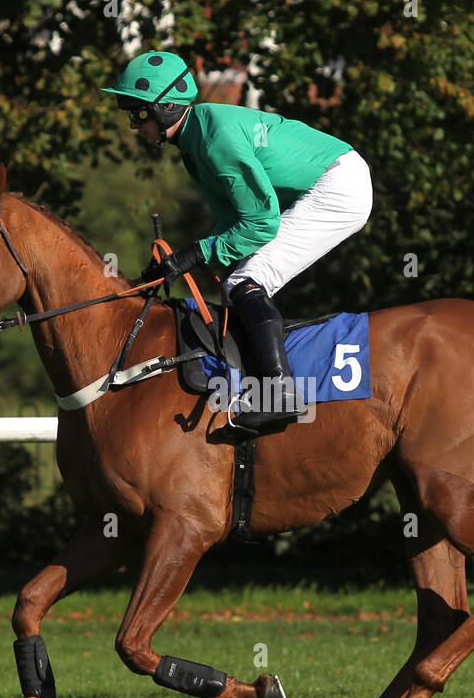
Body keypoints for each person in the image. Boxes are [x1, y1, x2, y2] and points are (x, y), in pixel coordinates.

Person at [103, 50, 373, 432]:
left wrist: (193, 254)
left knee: (246, 281)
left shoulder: (214, 140)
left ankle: (280, 393)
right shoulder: (196, 141)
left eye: (138, 113)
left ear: (166, 107)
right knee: (238, 280)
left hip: (340, 188)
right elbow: (235, 221)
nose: (133, 124)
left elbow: (261, 223)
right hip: (332, 180)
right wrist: (178, 263)